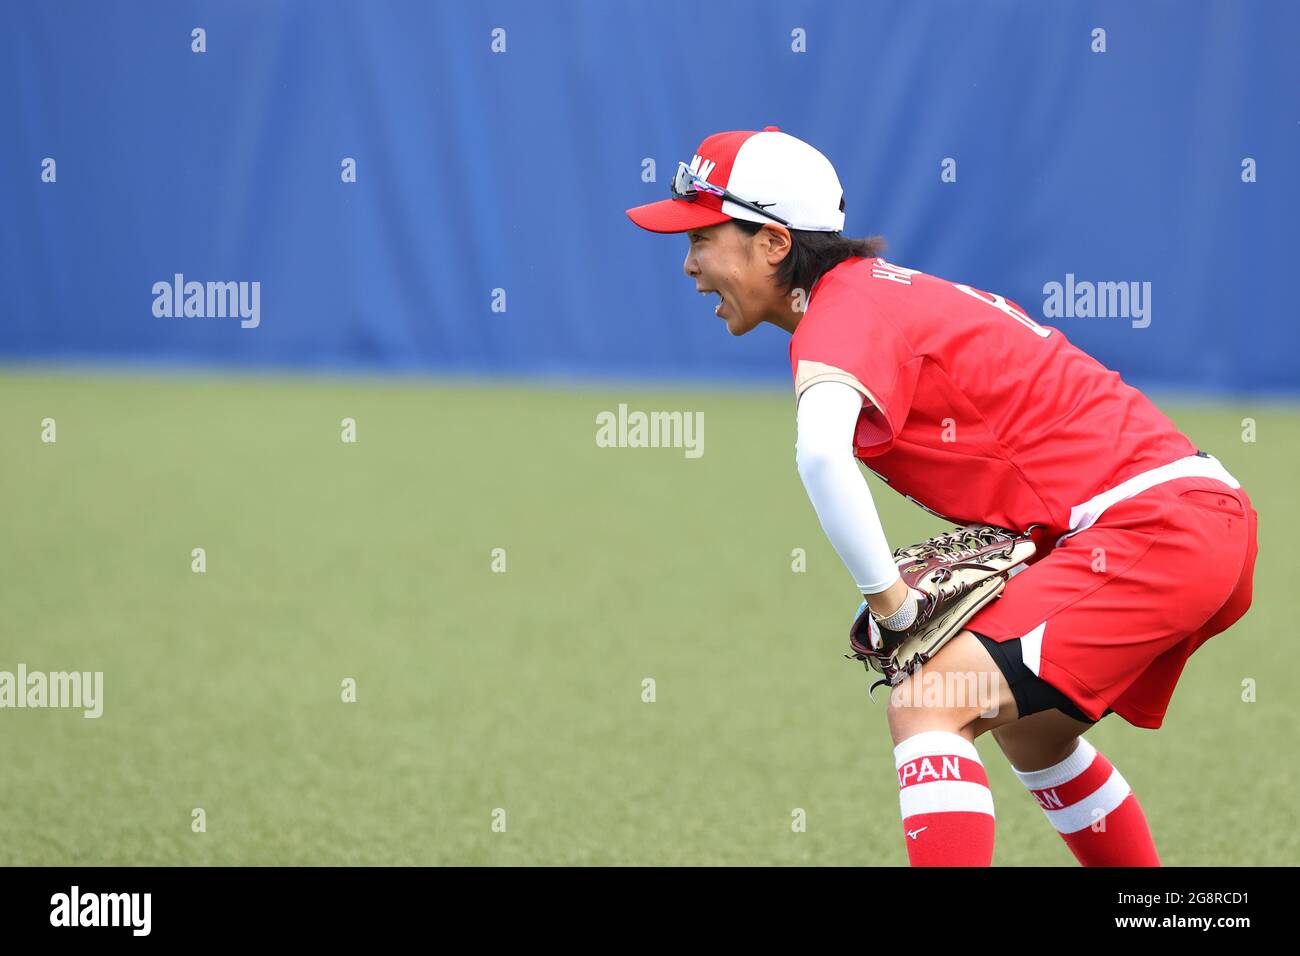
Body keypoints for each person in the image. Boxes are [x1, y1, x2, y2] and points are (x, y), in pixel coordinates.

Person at [626, 127, 1259, 867]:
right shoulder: (872, 295)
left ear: (772, 243)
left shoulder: (841, 313)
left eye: (702, 236)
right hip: (1187, 518)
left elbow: (823, 457)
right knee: (1034, 731)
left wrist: (893, 606)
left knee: (929, 700)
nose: (690, 264)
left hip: (1153, 525)